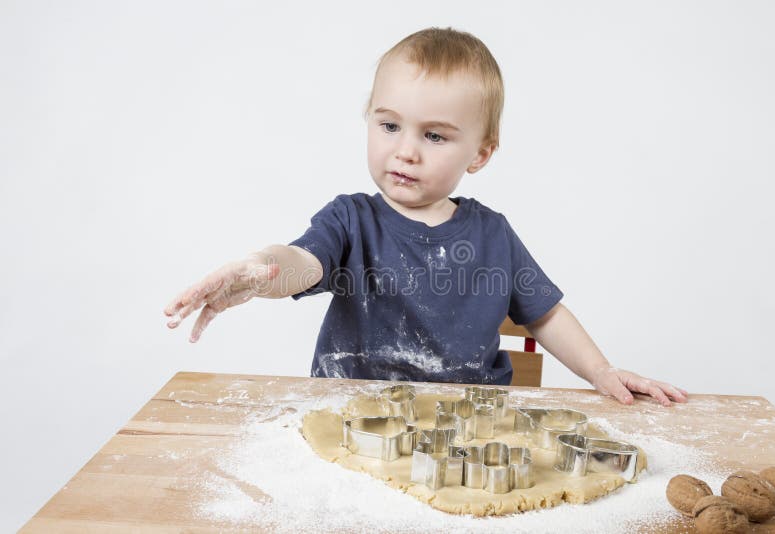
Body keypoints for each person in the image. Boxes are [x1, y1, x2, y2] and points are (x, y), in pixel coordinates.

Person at [164, 27, 688, 407]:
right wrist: (261, 270)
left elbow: (544, 313)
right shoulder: (351, 220)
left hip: (470, 431)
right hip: (353, 423)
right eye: (389, 125)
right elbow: (304, 261)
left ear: (480, 154)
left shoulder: (492, 234)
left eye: (434, 135)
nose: (406, 151)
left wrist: (600, 371)